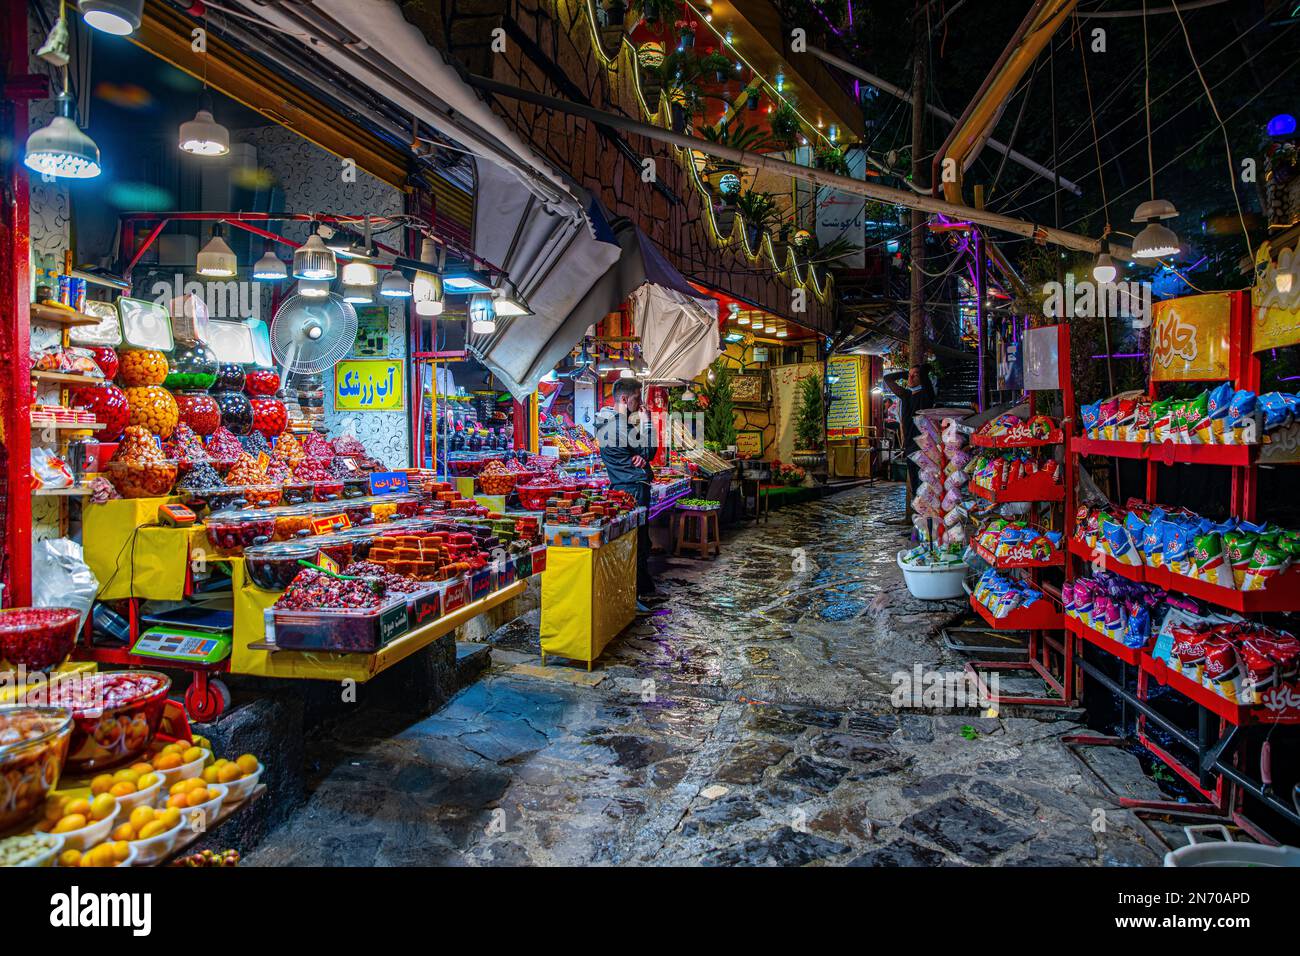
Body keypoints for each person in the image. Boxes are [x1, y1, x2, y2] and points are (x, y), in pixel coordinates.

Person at [594, 378, 657, 608]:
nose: (639, 404)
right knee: (637, 543)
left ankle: (639, 591)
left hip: (624, 488)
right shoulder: (620, 426)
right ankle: (635, 597)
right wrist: (648, 422)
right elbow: (650, 450)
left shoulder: (609, 423)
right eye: (637, 399)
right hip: (633, 489)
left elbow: (644, 454)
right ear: (623, 399)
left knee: (636, 541)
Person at [884, 364, 936, 518]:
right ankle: (920, 523)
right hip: (911, 447)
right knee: (916, 488)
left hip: (924, 447)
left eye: (915, 375)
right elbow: (887, 378)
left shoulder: (927, 395)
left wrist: (916, 373)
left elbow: (925, 379)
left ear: (922, 378)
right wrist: (906, 373)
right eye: (910, 375)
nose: (910, 378)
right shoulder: (906, 395)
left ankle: (929, 523)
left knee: (926, 487)